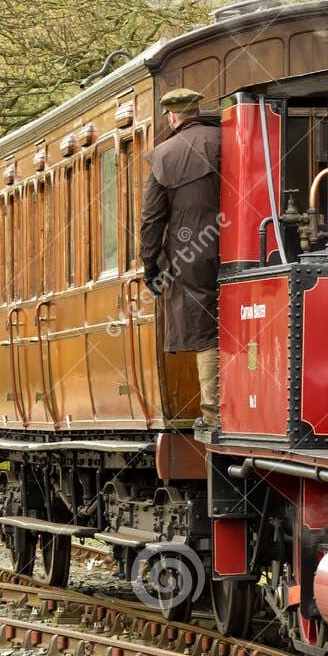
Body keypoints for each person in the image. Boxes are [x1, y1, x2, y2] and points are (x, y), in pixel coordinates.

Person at [140, 87, 222, 435]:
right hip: (249, 246)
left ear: (172, 116)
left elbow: (151, 218)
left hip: (192, 254)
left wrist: (150, 264)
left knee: (205, 332)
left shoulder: (163, 155)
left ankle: (215, 411)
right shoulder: (228, 138)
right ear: (197, 109)